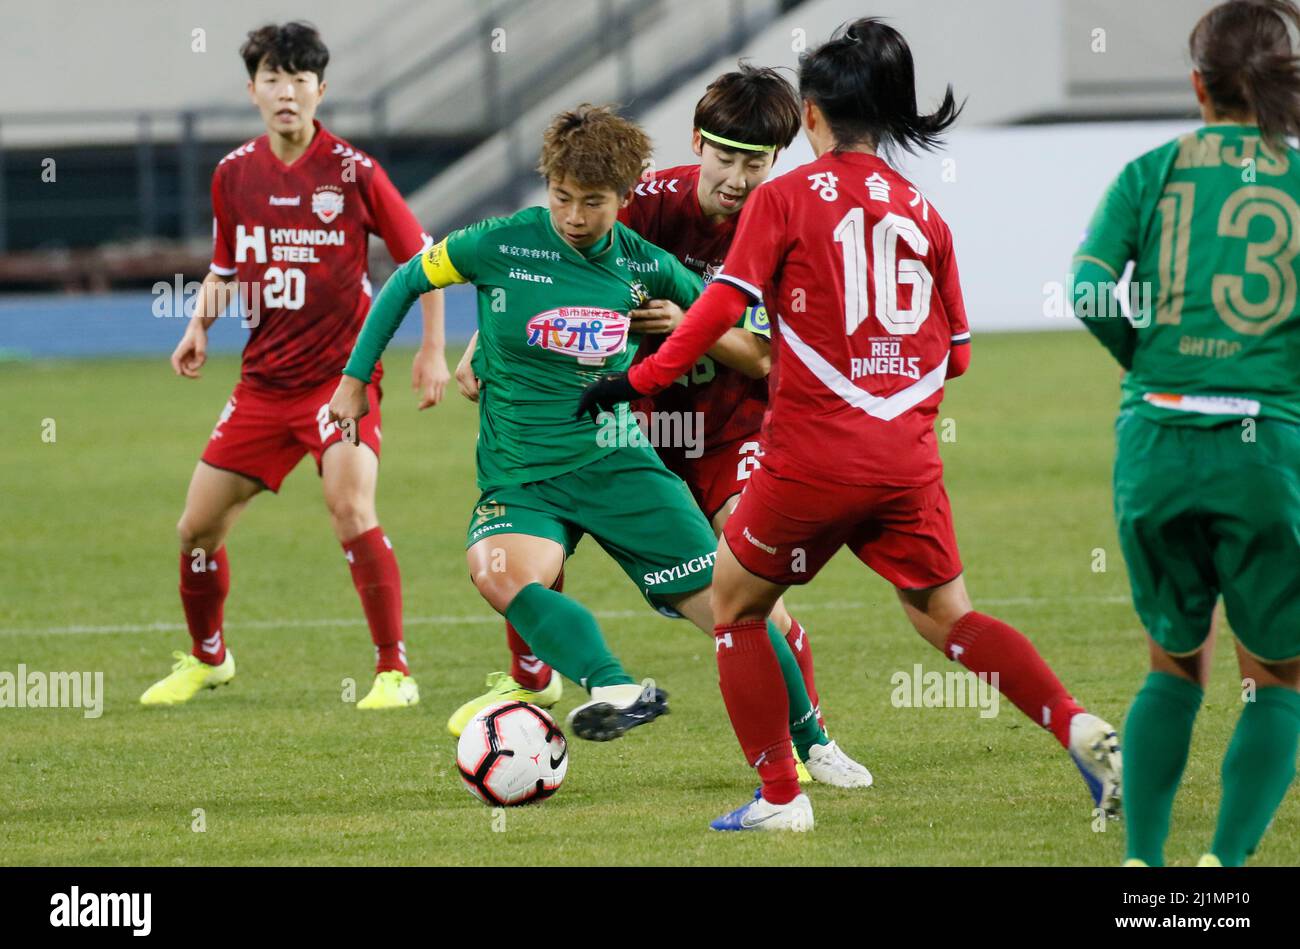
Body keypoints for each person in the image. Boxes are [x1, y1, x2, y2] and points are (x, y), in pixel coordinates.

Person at [580, 18, 1123, 831]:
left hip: (812, 454)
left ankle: (780, 799)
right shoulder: (924, 214)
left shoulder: (786, 197)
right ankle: (1077, 725)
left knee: (735, 607)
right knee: (949, 618)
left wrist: (640, 377)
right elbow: (960, 356)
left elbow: (719, 307)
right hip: (907, 456)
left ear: (810, 117)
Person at [328, 104, 871, 784]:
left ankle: (813, 741)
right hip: (521, 472)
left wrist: (684, 326)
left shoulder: (650, 266)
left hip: (619, 463)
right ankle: (614, 687)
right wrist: (357, 378)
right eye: (561, 198)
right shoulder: (501, 242)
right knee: (498, 570)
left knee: (739, 609)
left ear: (626, 196)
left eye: (592, 202)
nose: (574, 216)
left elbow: (747, 346)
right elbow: (409, 277)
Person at [140, 22, 449, 710]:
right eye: (273, 79)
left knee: (349, 506)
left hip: (341, 381)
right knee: (196, 531)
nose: (287, 92)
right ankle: (208, 658)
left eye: (300, 80)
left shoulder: (354, 172)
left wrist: (432, 349)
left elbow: (423, 261)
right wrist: (199, 325)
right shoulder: (233, 174)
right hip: (263, 386)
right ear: (252, 91)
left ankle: (393, 672)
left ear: (320, 90)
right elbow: (225, 266)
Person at [1072, 0, 1300, 867]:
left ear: (1197, 84)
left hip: (1156, 441)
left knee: (1174, 665)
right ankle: (1223, 875)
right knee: (1277, 676)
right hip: (1266, 445)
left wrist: (1152, 363)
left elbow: (1091, 287)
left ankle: (1143, 868)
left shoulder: (1154, 170)